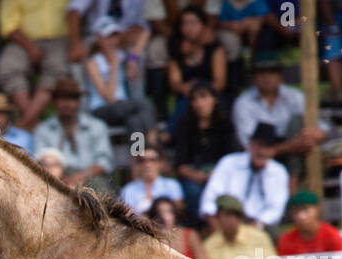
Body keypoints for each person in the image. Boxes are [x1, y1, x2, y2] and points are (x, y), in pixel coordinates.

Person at [232, 53, 328, 156]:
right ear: (253, 77)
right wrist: (285, 148)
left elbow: (323, 126)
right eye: (262, 73)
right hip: (260, 158)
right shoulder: (243, 103)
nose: (267, 77)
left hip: (297, 149)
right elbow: (247, 143)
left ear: (280, 75)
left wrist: (317, 134)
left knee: (298, 123)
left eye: (272, 72)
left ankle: (295, 171)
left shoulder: (294, 96)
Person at [198, 122, 290, 231]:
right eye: (259, 145)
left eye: (268, 147)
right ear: (250, 145)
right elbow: (209, 200)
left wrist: (255, 228)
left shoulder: (279, 172)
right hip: (227, 224)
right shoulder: (229, 163)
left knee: (263, 244)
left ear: (274, 150)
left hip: (259, 227)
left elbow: (276, 209)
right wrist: (219, 231)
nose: (262, 151)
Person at [0, 0, 72, 131]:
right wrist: (29, 46)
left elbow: (77, 11)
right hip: (22, 39)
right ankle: (36, 125)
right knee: (7, 67)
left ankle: (26, 123)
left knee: (57, 70)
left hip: (59, 40)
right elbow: (8, 24)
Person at [170, 81, 239, 218]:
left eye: (203, 97)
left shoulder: (225, 124)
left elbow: (233, 158)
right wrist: (200, 176)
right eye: (194, 99)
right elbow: (180, 164)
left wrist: (216, 175)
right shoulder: (184, 126)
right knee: (192, 191)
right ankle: (201, 226)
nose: (199, 103)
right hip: (195, 174)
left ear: (214, 99)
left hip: (222, 172)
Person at [33, 79, 114, 192]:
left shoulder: (96, 126)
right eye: (62, 98)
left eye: (72, 98)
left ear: (78, 102)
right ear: (55, 102)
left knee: (102, 188)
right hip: (55, 176)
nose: (67, 104)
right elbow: (41, 160)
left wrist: (80, 177)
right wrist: (59, 179)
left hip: (90, 176)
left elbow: (104, 162)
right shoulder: (43, 130)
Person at [83, 17, 154, 142]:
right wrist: (114, 66)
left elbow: (145, 30)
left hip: (124, 107)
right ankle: (152, 140)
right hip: (101, 109)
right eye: (108, 37)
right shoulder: (93, 62)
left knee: (135, 121)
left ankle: (137, 155)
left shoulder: (123, 56)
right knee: (143, 104)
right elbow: (108, 97)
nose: (112, 41)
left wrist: (133, 59)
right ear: (99, 38)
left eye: (115, 36)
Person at [167, 4, 228, 113]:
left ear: (204, 25)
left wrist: (201, 93)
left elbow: (220, 83)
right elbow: (174, 83)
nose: (189, 28)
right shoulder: (175, 50)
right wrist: (184, 88)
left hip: (212, 97)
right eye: (185, 24)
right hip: (187, 99)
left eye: (193, 23)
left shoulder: (215, 49)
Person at [202, 194, 276, 259]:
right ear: (218, 217)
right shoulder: (210, 245)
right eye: (227, 215)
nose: (231, 220)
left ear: (241, 219)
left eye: (236, 216)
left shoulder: (259, 237)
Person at [276, 190, 342, 256]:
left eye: (305, 209)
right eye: (296, 211)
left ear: (317, 209)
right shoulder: (286, 240)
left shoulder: (331, 235)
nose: (301, 216)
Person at [120, 146, 183, 214]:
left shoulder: (172, 185)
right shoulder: (128, 190)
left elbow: (178, 213)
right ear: (138, 165)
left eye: (153, 159)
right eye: (142, 160)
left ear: (160, 163)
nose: (148, 164)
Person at [147, 195, 206, 259]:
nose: (163, 217)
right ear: (153, 217)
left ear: (174, 214)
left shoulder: (190, 235)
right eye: (159, 213)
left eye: (168, 212)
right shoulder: (150, 239)